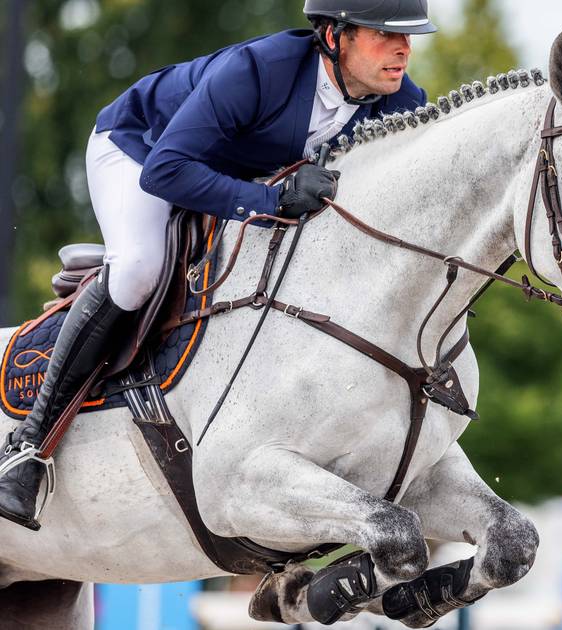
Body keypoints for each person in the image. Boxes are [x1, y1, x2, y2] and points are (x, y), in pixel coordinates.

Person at [0, 0, 436, 531]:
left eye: (408, 38)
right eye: (383, 35)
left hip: (227, 177)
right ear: (333, 35)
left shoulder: (403, 102)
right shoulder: (260, 71)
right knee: (139, 269)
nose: (402, 50)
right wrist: (271, 203)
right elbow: (165, 172)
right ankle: (28, 448)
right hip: (142, 150)